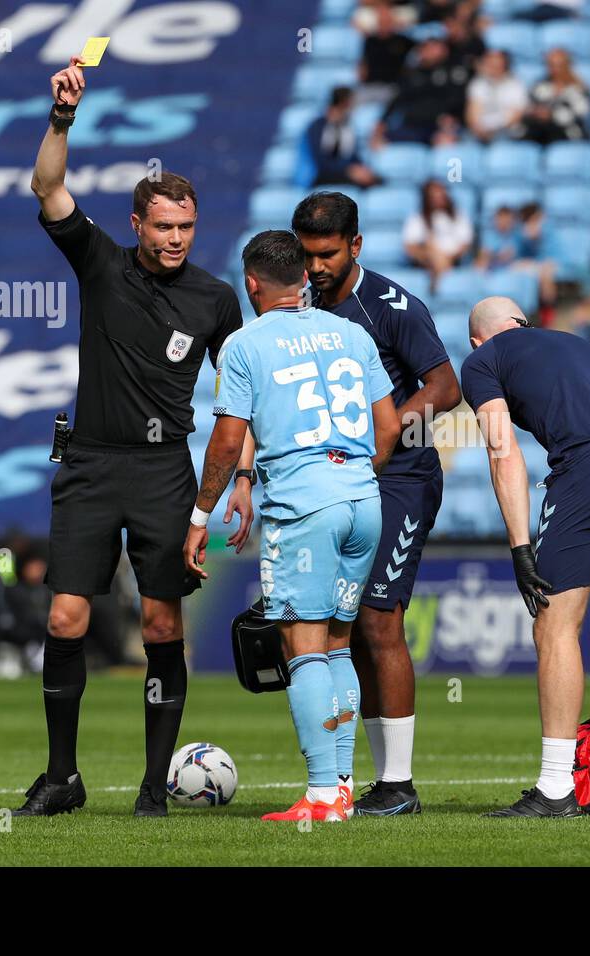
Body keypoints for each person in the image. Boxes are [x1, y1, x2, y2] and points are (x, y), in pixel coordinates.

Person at [17, 55, 244, 818]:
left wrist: (240, 480)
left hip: (162, 473)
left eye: (187, 227)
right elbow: (47, 186)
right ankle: (62, 777)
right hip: (89, 462)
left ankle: (154, 786)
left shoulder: (215, 300)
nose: (176, 239)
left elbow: (238, 399)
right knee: (65, 618)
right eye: (164, 226)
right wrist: (62, 117)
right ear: (137, 224)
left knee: (159, 621)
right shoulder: (101, 264)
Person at [184, 230, 401, 823]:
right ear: (304, 277)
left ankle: (321, 793)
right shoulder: (353, 335)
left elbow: (227, 442)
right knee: (337, 644)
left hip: (305, 506)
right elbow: (388, 429)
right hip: (364, 500)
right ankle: (343, 788)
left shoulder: (245, 344)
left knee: (301, 648)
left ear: (250, 282)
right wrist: (348, 473)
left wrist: (202, 514)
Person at [461, 296, 590, 817]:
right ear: (523, 324)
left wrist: (518, 547)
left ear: (477, 339)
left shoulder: (482, 361)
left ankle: (555, 789)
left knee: (554, 627)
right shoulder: (572, 342)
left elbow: (502, 449)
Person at [292, 192, 461, 816]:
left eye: (327, 254)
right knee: (348, 625)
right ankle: (373, 780)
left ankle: (399, 785)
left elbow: (446, 386)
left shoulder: (392, 307)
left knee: (379, 620)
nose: (315, 267)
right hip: (340, 481)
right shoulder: (301, 308)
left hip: (402, 478)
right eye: (307, 255)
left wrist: (382, 431)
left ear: (355, 246)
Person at [402, 179, 475, 291]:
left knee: (437, 255)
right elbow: (410, 246)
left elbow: (466, 243)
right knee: (431, 247)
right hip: (427, 261)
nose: (438, 198)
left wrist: (447, 257)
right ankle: (443, 284)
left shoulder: (458, 216)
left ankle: (436, 284)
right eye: (434, 196)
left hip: (454, 260)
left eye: (441, 195)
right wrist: (429, 256)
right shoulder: (418, 218)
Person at [306, 87, 381, 188]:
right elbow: (321, 162)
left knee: (376, 180)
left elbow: (354, 157)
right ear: (345, 103)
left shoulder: (348, 125)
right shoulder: (317, 127)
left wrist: (362, 169)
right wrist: (348, 170)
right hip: (325, 175)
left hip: (347, 174)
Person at [522, 47, 590, 144]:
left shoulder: (579, 89)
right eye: (551, 65)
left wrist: (552, 115)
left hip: (568, 135)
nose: (556, 69)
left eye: (560, 65)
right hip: (542, 134)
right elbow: (530, 106)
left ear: (568, 65)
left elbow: (581, 113)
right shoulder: (540, 86)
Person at [465, 49, 528, 142]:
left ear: (505, 65)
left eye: (497, 65)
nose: (493, 68)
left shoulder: (516, 85)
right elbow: (472, 114)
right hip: (480, 133)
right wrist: (479, 130)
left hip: (506, 133)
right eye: (490, 64)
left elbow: (516, 116)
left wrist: (493, 131)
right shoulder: (478, 84)